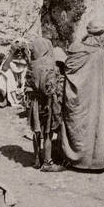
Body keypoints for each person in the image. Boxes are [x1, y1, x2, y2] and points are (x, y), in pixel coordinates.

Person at [59, 21, 104, 171]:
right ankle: (92, 161)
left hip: (77, 99)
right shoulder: (101, 53)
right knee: (94, 125)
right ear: (100, 35)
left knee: (76, 125)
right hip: (95, 100)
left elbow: (67, 70)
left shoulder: (75, 47)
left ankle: (73, 157)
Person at [23, 36, 63, 171]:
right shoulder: (50, 66)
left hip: (34, 103)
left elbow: (27, 87)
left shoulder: (31, 65)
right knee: (48, 133)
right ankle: (47, 162)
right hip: (47, 103)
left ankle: (36, 159)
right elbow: (52, 89)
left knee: (36, 132)